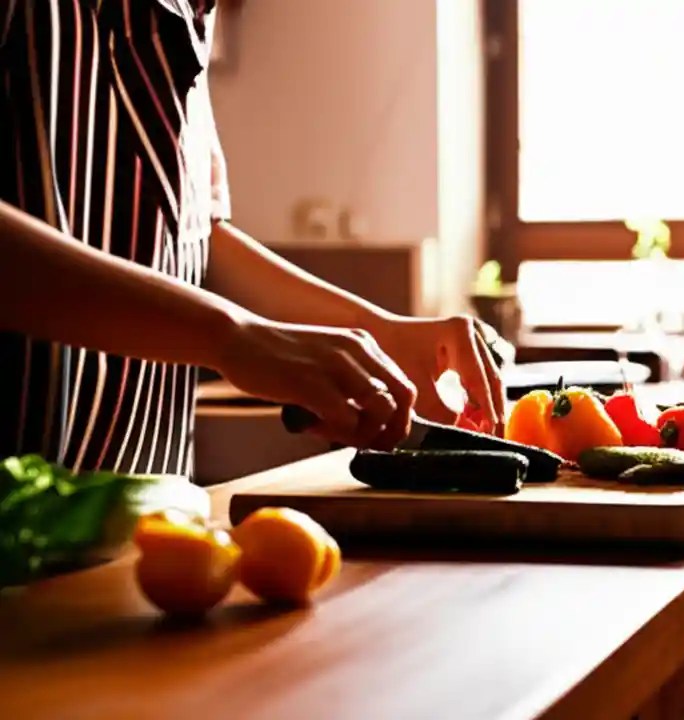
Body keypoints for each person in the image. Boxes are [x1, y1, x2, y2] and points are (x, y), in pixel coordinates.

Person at [0, 0, 504, 477]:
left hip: (146, 521)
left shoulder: (193, 14)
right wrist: (228, 336)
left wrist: (378, 331)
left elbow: (196, 239)